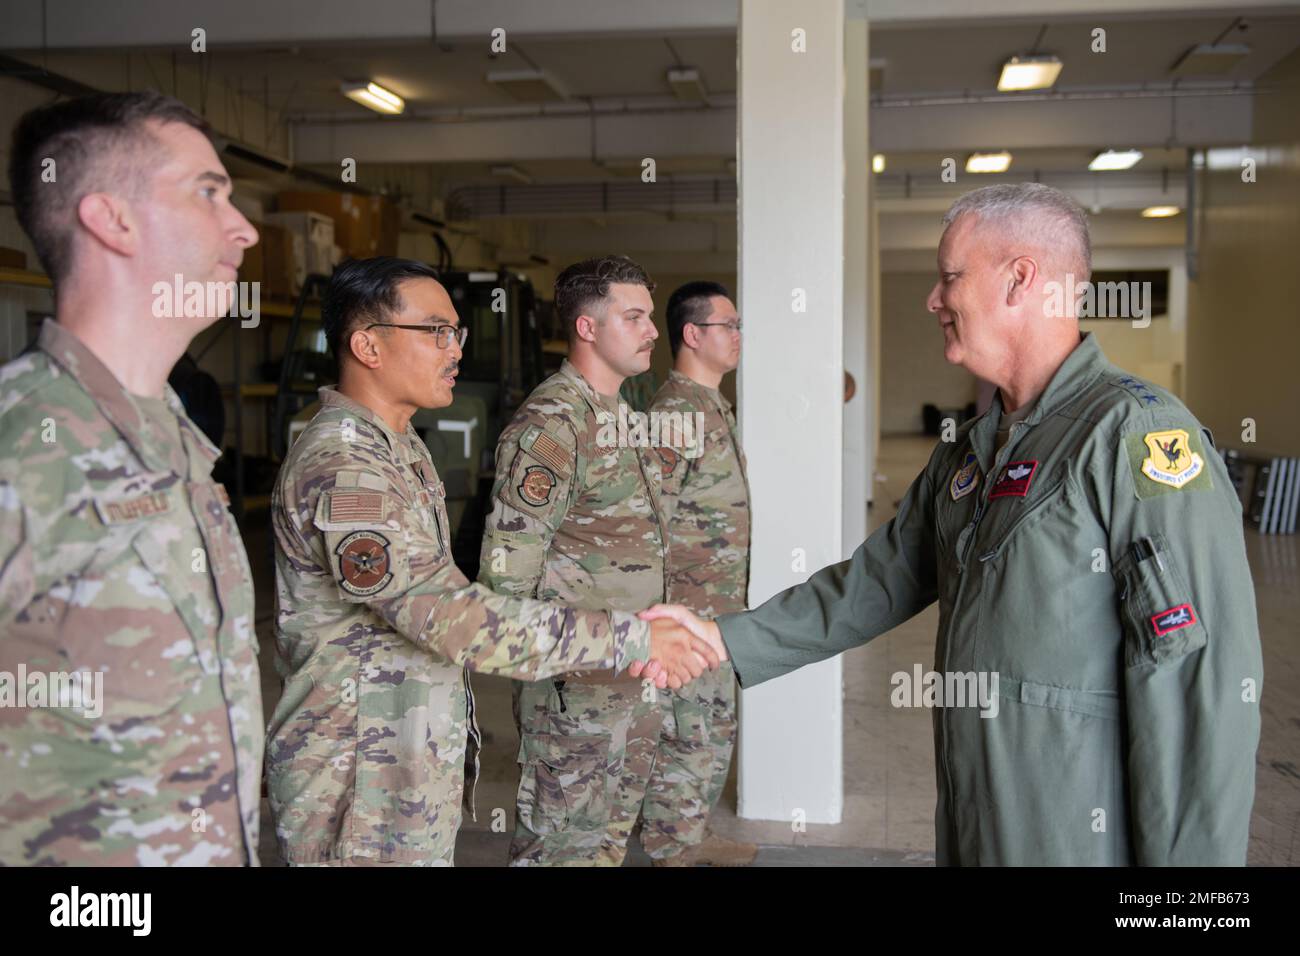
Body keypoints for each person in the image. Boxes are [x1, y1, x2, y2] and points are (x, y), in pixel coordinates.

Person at [645, 182, 1264, 866]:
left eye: (949, 278)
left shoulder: (1135, 434)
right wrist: (725, 639)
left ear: (1019, 279)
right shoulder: (972, 446)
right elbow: (873, 582)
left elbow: (1197, 688)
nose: (933, 300)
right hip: (972, 809)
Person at [266, 257, 718, 866]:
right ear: (367, 345)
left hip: (403, 764)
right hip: (359, 777)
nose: (454, 350)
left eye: (458, 332)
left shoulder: (400, 447)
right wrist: (631, 639)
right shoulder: (346, 467)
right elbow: (449, 615)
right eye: (435, 332)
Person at [0, 92, 263, 865]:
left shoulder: (178, 437)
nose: (243, 227)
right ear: (111, 219)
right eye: (208, 193)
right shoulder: (22, 445)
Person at [479, 254, 682, 866]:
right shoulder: (552, 426)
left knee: (603, 849)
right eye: (635, 316)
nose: (652, 331)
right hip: (577, 693)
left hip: (632, 678)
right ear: (587, 327)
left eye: (651, 317)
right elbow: (505, 581)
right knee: (559, 850)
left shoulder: (620, 414)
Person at [641, 282, 756, 867]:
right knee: (687, 732)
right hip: (686, 613)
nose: (738, 337)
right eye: (728, 326)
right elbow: (648, 521)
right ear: (692, 335)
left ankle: (694, 834)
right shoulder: (677, 414)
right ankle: (671, 850)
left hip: (717, 613)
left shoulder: (711, 405)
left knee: (710, 729)